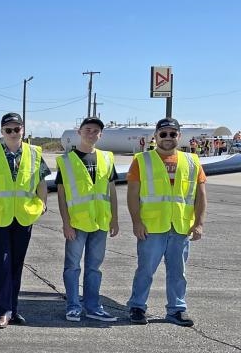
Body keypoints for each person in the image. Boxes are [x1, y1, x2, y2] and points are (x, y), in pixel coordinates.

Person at [0, 113, 50, 329]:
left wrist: (42, 203)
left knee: (17, 263)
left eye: (17, 129)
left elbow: (41, 181)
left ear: (23, 130)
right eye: (8, 130)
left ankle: (13, 309)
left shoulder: (34, 153)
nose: (13, 133)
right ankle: (3, 311)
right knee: (2, 261)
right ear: (2, 132)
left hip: (24, 215)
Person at [125, 118, 207, 327]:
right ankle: (137, 307)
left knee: (178, 272)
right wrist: (136, 222)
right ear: (156, 136)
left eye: (173, 133)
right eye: (163, 134)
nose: (168, 137)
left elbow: (200, 195)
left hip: (180, 226)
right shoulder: (142, 160)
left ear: (179, 136)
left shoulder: (192, 161)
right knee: (145, 270)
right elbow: (132, 194)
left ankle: (177, 309)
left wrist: (199, 223)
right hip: (152, 227)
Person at [55, 117, 120, 323]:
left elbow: (112, 191)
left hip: (101, 222)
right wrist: (66, 223)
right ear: (79, 132)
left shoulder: (107, 158)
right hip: (77, 223)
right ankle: (73, 306)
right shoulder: (66, 160)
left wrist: (115, 219)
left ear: (100, 135)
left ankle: (93, 307)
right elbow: (61, 194)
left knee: (94, 268)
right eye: (88, 130)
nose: (91, 134)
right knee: (72, 266)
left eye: (95, 131)